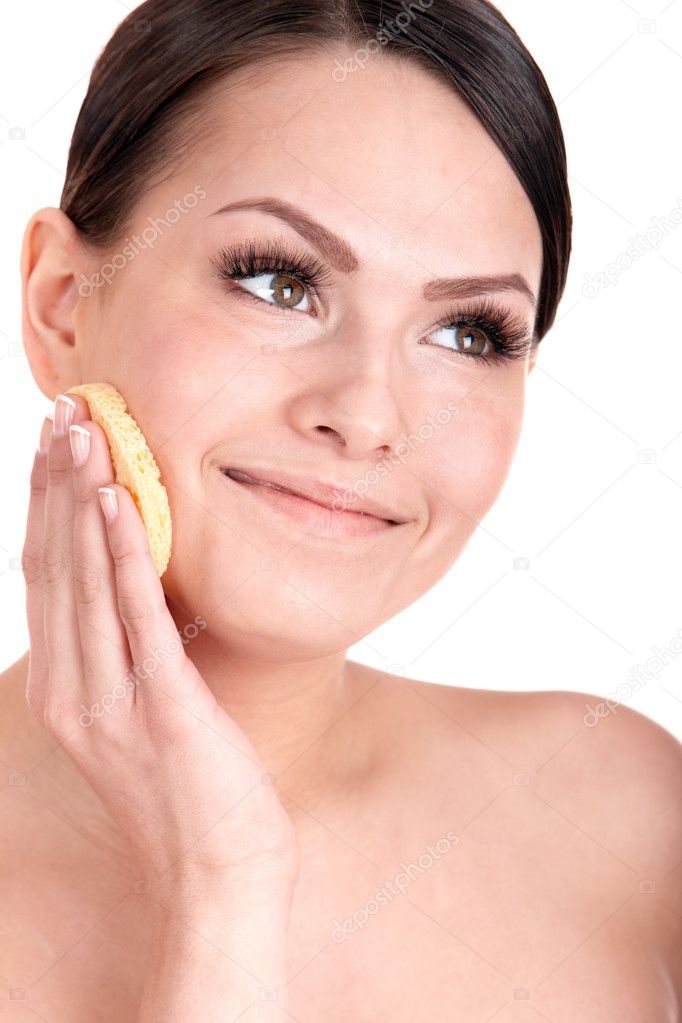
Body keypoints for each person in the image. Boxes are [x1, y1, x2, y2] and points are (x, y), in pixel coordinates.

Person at [1, 0, 680, 1019]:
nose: (367, 417)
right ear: (62, 302)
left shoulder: (627, 813)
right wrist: (218, 890)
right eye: (279, 281)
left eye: (468, 334)